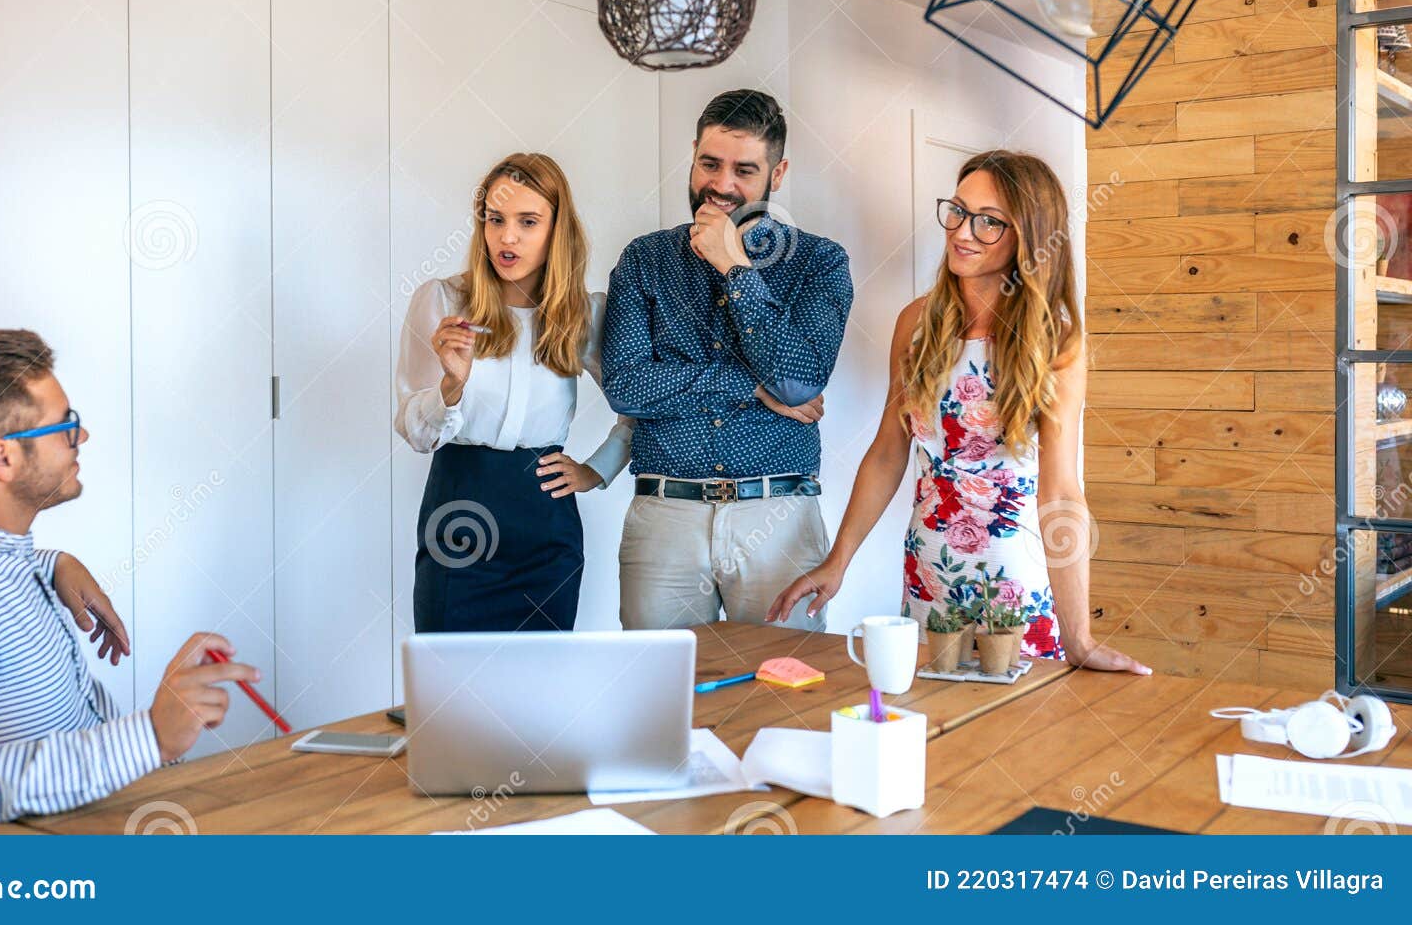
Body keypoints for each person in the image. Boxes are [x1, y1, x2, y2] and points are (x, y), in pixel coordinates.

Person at [0, 329, 260, 833]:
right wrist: (151, 736)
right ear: (2, 458)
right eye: (66, 426)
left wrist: (51, 563)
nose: (81, 437)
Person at [765, 150, 1150, 675]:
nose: (962, 232)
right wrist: (838, 562)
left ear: (1029, 237)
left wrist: (1079, 637)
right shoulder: (916, 323)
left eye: (989, 221)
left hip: (1016, 582)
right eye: (958, 211)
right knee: (932, 714)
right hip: (930, 572)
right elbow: (888, 453)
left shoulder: (1054, 340)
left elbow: (1060, 491)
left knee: (1018, 719)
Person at [601, 89, 853, 632]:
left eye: (744, 170)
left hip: (779, 516)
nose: (721, 185)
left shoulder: (819, 262)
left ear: (777, 174)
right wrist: (750, 385)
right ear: (692, 155)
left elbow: (797, 381)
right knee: (661, 680)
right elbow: (625, 385)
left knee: (785, 678)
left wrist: (735, 267)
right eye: (709, 163)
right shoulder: (644, 259)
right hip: (665, 515)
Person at [396, 152, 632, 632]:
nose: (507, 237)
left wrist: (597, 469)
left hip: (545, 519)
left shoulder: (584, 315)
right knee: (448, 669)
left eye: (528, 222)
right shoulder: (443, 301)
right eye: (495, 219)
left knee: (539, 671)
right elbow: (416, 434)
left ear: (557, 230)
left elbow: (639, 405)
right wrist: (452, 385)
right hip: (459, 506)